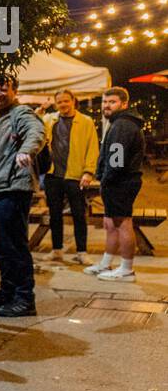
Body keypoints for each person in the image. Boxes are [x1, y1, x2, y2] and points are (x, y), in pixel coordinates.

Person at [0, 74, 46, 317]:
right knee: (0, 246)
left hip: (14, 187)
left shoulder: (21, 113)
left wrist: (26, 151)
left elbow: (37, 131)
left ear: (15, 91)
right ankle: (7, 292)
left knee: (15, 246)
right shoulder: (0, 119)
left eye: (4, 89)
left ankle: (24, 298)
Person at [85, 87, 146, 281]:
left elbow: (117, 160)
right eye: (104, 102)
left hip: (121, 182)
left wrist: (105, 178)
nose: (106, 105)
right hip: (117, 181)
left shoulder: (123, 125)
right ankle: (105, 264)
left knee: (123, 223)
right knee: (110, 224)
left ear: (124, 104)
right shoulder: (120, 123)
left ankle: (126, 270)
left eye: (112, 102)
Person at [42, 89, 99, 265]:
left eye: (66, 101)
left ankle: (82, 251)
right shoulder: (48, 120)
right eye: (59, 102)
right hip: (53, 174)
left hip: (76, 175)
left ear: (74, 101)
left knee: (79, 214)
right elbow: (35, 132)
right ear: (55, 103)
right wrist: (38, 112)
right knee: (54, 214)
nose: (63, 105)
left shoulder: (86, 121)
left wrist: (89, 171)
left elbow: (93, 147)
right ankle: (56, 250)